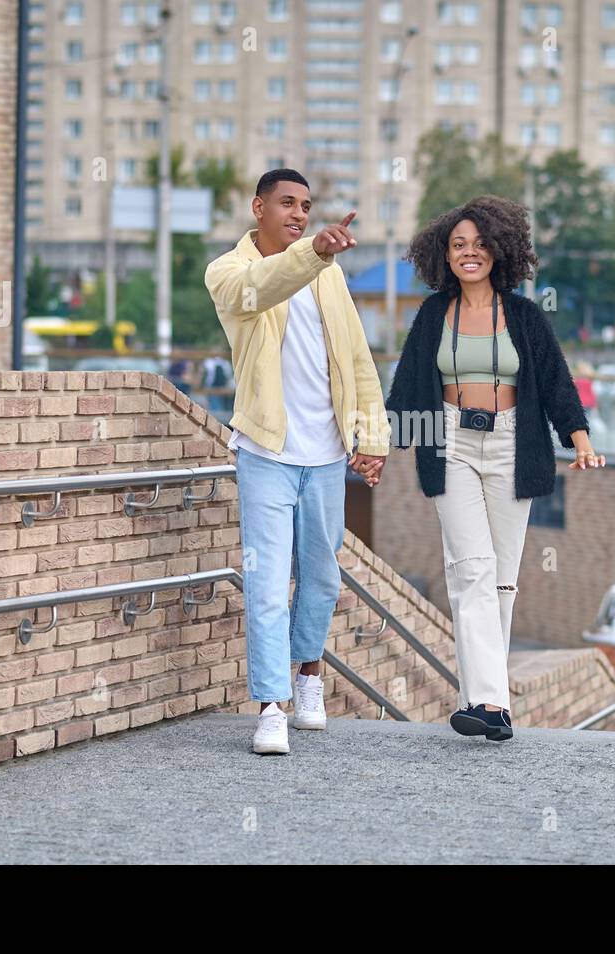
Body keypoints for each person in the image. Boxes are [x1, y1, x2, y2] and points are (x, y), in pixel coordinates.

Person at [385, 195, 606, 743]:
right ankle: (493, 702)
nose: (469, 253)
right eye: (459, 245)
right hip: (452, 442)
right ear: (444, 254)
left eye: (480, 244)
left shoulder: (524, 316)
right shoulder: (435, 314)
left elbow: (557, 382)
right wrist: (377, 447)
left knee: (498, 583)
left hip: (513, 445)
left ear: (500, 250)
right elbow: (410, 385)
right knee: (475, 568)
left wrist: (579, 441)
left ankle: (478, 703)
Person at [204, 169, 390, 755]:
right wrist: (314, 252)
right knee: (264, 582)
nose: (299, 213)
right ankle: (270, 706)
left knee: (322, 578)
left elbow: (357, 359)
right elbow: (260, 288)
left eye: (306, 206)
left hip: (327, 452)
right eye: (287, 203)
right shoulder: (228, 272)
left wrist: (372, 437)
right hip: (266, 451)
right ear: (258, 207)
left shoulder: (328, 276)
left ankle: (310, 678)